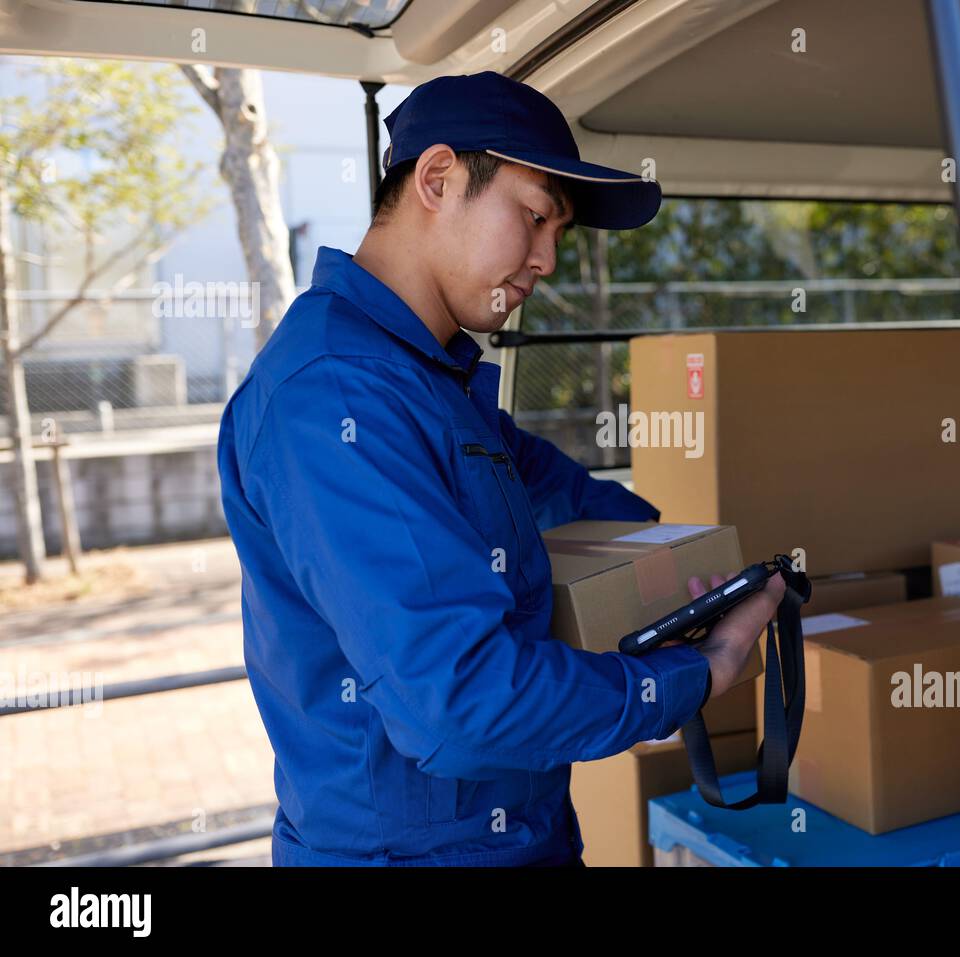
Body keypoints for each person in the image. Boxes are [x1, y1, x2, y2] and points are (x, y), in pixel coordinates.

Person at [216, 71, 783, 867]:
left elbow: (585, 507)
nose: (547, 258)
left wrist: (708, 573)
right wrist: (699, 671)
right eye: (535, 216)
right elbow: (460, 704)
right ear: (438, 179)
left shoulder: (432, 385)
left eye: (560, 232)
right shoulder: (335, 396)